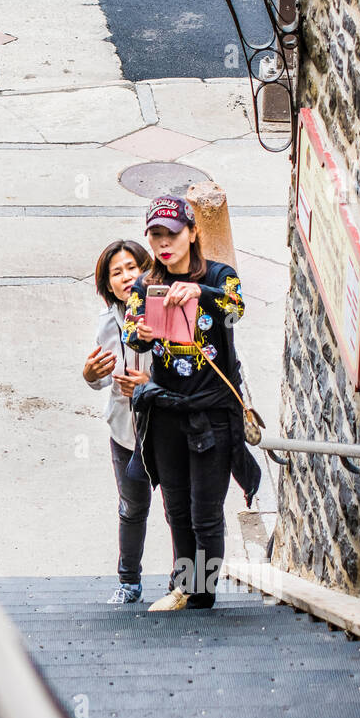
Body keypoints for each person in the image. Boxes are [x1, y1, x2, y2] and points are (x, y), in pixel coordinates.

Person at [124, 195, 260, 611]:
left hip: (213, 409)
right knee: (176, 507)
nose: (164, 243)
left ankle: (203, 594)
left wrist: (200, 291)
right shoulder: (146, 283)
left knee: (206, 510)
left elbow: (237, 310)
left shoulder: (221, 276)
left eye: (173, 233)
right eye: (156, 235)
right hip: (166, 409)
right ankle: (186, 588)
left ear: (193, 233)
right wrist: (142, 334)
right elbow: (131, 329)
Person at [83, 239, 155, 604]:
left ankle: (185, 586)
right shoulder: (108, 323)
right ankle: (129, 583)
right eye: (117, 272)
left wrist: (148, 386)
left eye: (133, 267)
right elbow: (102, 378)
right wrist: (90, 375)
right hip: (126, 434)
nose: (127, 277)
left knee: (180, 511)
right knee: (131, 508)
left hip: (166, 430)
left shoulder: (165, 312)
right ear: (107, 284)